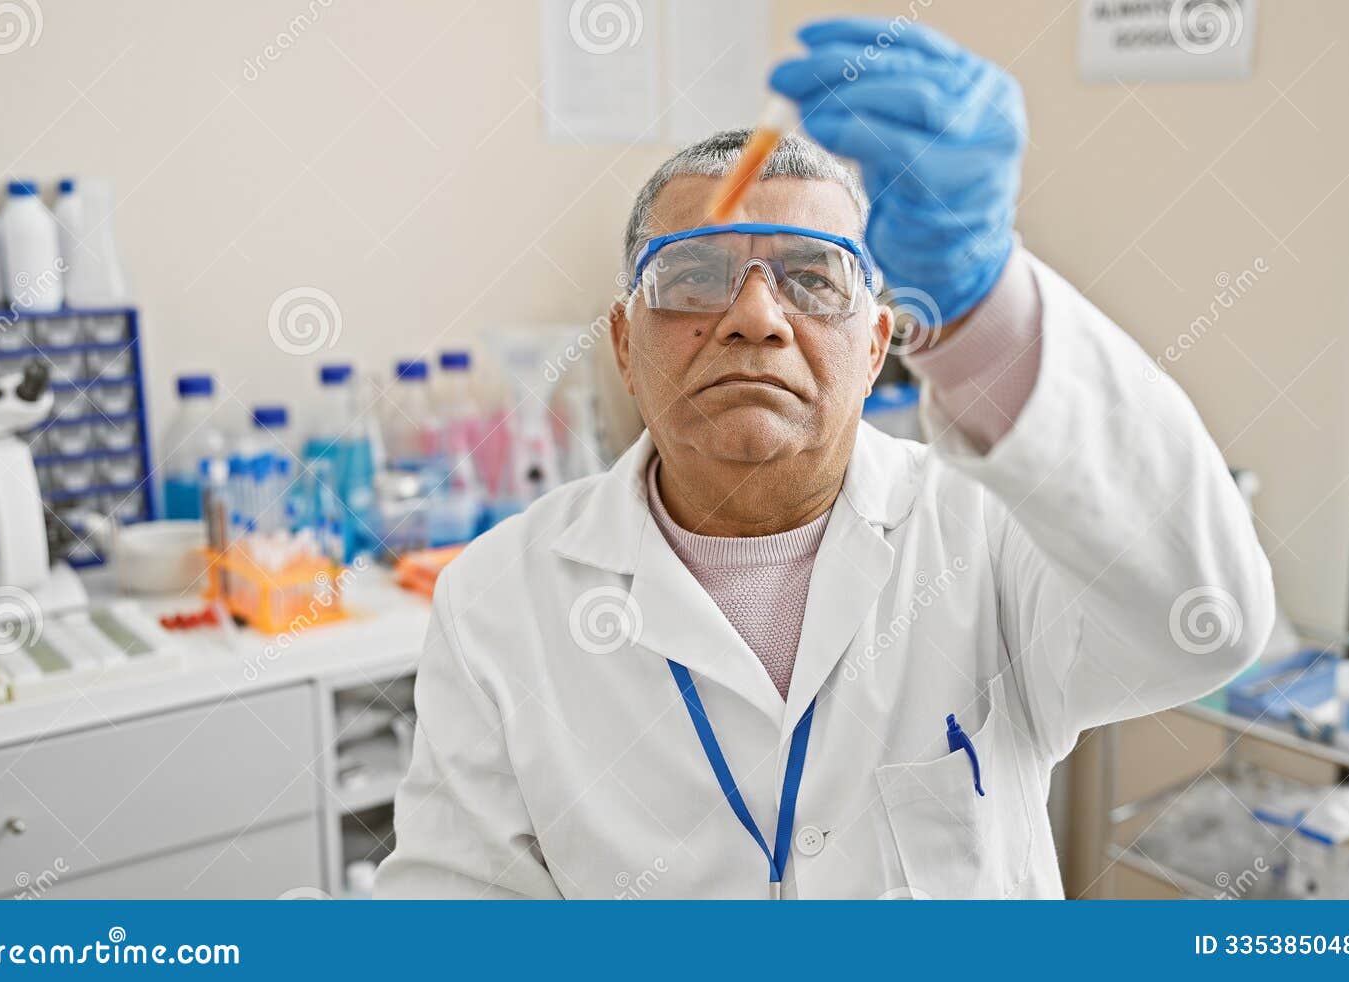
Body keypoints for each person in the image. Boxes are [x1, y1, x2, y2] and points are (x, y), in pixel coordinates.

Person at [375, 17, 1273, 899]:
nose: (756, 318)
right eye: (691, 276)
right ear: (623, 343)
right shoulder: (499, 598)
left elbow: (1207, 624)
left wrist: (986, 300)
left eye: (813, 278)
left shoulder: (987, 537)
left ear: (878, 343)